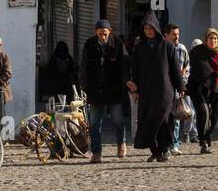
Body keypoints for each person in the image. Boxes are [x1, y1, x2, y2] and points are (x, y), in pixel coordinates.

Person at [127, 10, 183, 162]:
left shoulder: (167, 46)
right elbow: (135, 69)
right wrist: (135, 87)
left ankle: (164, 149)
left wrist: (181, 87)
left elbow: (175, 68)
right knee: (149, 120)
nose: (148, 31)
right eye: (145, 29)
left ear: (156, 28)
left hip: (165, 91)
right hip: (146, 91)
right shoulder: (139, 47)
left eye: (150, 28)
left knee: (163, 120)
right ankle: (155, 151)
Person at [80, 19, 131, 162]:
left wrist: (126, 82)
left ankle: (121, 142)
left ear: (109, 31)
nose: (103, 36)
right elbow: (83, 66)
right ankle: (97, 152)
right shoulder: (89, 44)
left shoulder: (118, 44)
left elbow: (125, 64)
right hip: (95, 90)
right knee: (95, 123)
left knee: (118, 120)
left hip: (114, 89)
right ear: (96, 32)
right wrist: (84, 85)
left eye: (105, 33)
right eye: (100, 33)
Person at [188, 27, 218, 154]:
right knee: (203, 113)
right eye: (210, 38)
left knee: (214, 115)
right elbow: (188, 65)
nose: (212, 41)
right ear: (205, 39)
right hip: (199, 88)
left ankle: (207, 137)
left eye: (215, 38)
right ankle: (204, 142)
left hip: (217, 88)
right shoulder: (197, 51)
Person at [164, 22, 193, 154]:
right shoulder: (162, 48)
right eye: (173, 34)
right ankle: (163, 144)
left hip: (176, 88)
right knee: (163, 117)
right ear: (166, 35)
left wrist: (183, 82)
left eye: (178, 34)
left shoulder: (182, 49)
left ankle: (174, 144)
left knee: (175, 116)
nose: (176, 37)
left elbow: (187, 68)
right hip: (163, 88)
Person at [43, 41, 78, 106]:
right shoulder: (69, 58)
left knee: (58, 103)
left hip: (57, 84)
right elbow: (72, 71)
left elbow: (49, 71)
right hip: (66, 83)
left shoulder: (54, 58)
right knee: (67, 102)